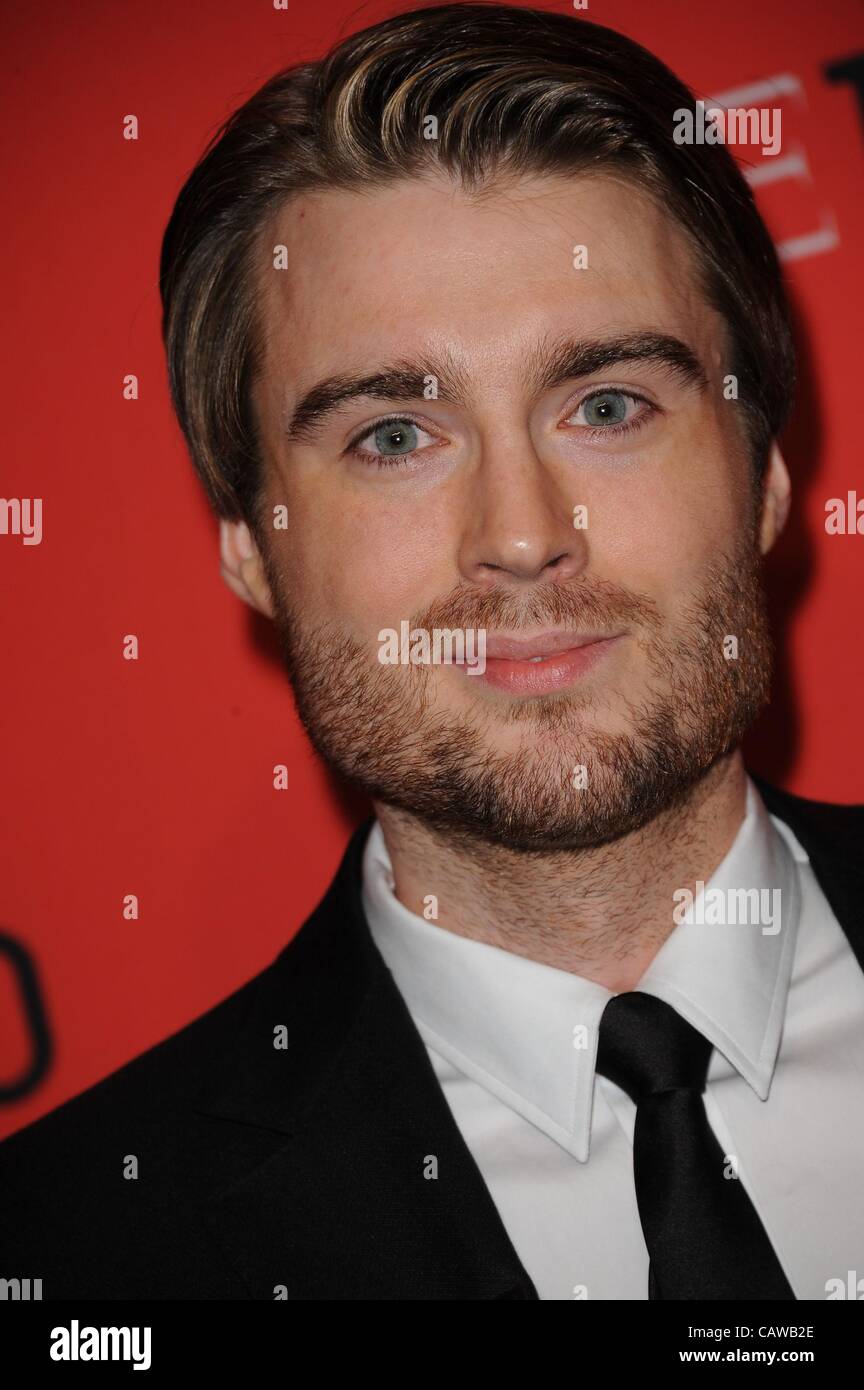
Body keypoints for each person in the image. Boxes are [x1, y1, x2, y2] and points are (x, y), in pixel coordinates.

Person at [1, 3, 862, 1301]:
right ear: (248, 546)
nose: (520, 537)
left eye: (609, 404)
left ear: (764, 476)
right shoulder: (72, 1258)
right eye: (393, 436)